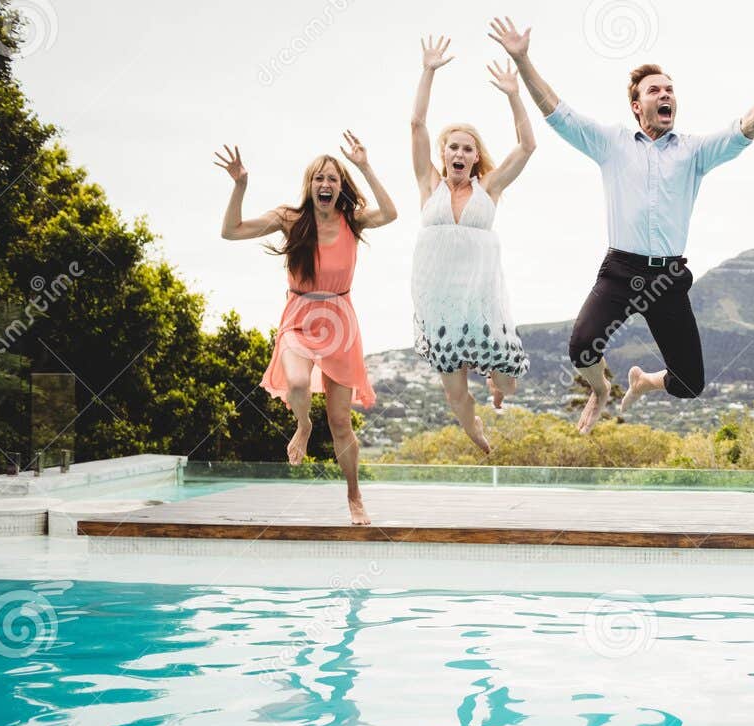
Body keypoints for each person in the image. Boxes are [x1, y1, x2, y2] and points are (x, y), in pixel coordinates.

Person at [489, 14, 754, 432]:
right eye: (655, 90)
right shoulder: (612, 143)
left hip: (668, 278)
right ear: (636, 105)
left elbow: (744, 129)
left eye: (670, 90)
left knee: (690, 383)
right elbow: (557, 112)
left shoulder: (694, 151)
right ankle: (600, 389)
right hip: (621, 270)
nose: (666, 96)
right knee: (582, 346)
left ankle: (644, 381)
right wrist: (522, 60)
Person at [215, 135, 397, 525]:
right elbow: (230, 231)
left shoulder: (352, 220)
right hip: (298, 317)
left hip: (341, 323)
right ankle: (302, 424)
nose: (325, 185)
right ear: (309, 186)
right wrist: (240, 185)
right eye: (318, 179)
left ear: (340, 186)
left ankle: (354, 496)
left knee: (341, 423)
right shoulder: (290, 219)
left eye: (332, 179)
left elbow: (391, 213)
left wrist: (365, 166)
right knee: (296, 382)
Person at [409, 35, 533, 456]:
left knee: (510, 383)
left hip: (481, 302)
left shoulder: (490, 188)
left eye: (468, 148)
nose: (460, 153)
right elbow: (416, 125)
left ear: (476, 156)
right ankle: (473, 427)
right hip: (441, 303)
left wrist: (515, 96)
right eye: (453, 147)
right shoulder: (429, 184)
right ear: (444, 154)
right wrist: (428, 70)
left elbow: (528, 146)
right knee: (455, 393)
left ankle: (496, 388)